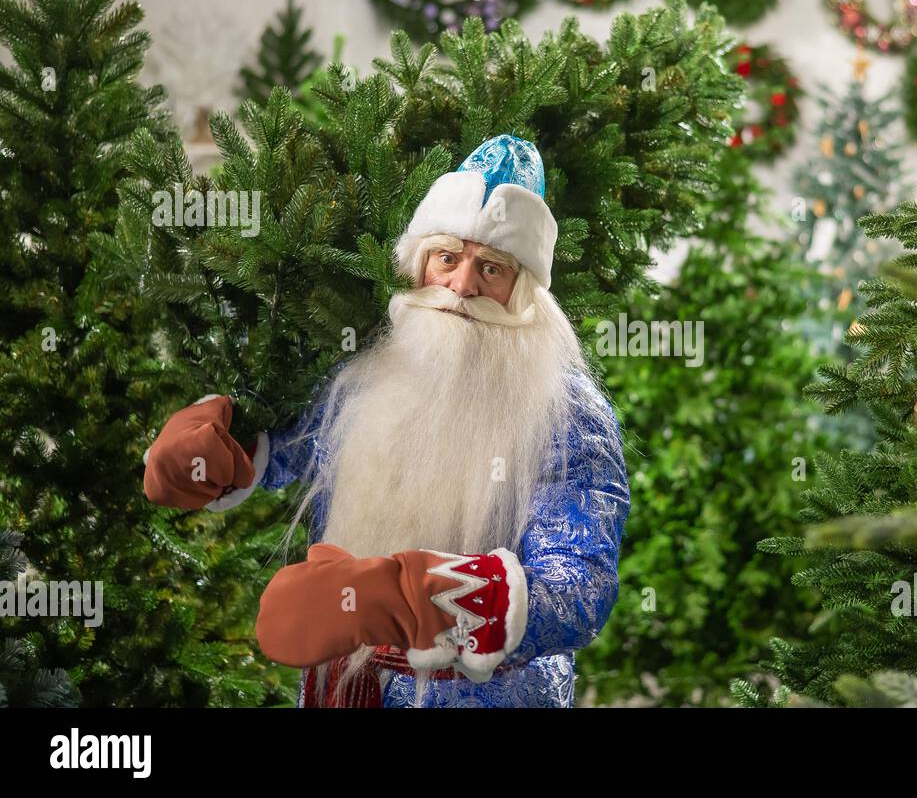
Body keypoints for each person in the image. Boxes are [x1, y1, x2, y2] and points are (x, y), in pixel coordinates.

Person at [142, 135, 630, 708]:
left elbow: (581, 587)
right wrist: (210, 457)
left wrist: (417, 597)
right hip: (346, 690)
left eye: (492, 268)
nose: (462, 285)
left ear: (522, 290)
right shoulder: (373, 367)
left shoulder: (565, 410)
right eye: (447, 258)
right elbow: (294, 451)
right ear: (420, 265)